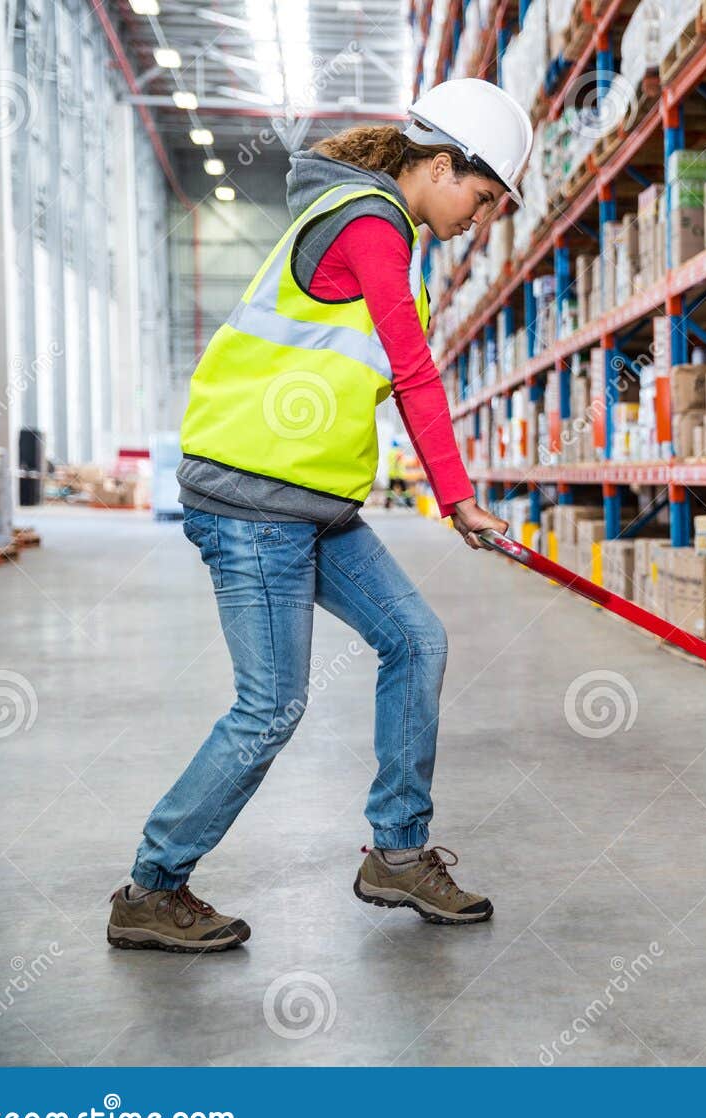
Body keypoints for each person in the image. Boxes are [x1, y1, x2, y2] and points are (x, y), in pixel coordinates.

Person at [107, 79, 534, 952]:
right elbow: (412, 373)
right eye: (485, 197)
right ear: (442, 166)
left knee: (417, 641)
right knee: (270, 707)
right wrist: (457, 496)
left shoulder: (383, 233)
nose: (483, 219)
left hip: (311, 503)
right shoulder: (370, 224)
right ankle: (152, 886)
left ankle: (398, 852)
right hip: (254, 498)